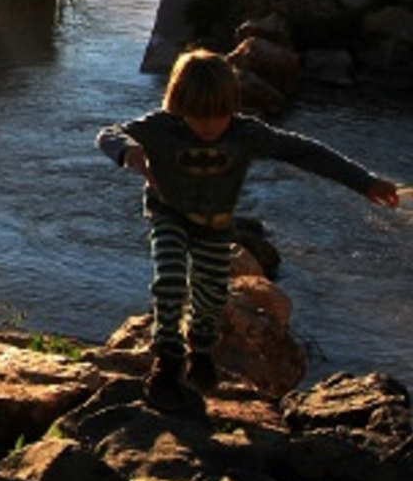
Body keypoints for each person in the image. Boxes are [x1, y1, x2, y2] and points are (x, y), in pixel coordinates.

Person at [97, 48, 401, 409]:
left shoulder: (246, 134)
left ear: (233, 107)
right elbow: (109, 134)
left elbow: (304, 151)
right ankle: (167, 362)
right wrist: (131, 153)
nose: (210, 126)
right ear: (179, 106)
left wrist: (364, 182)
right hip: (169, 216)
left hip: (214, 226)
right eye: (198, 117)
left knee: (210, 294)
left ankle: (202, 350)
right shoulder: (163, 127)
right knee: (171, 278)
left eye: (219, 116)